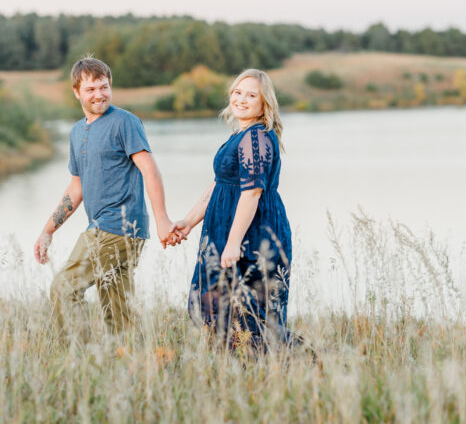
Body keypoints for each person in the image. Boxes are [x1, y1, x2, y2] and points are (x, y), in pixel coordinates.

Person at [34, 57, 182, 343]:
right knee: (118, 310)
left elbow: (150, 170)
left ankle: (83, 360)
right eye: (91, 89)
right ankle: (128, 366)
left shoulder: (125, 122)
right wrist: (47, 230)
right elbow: (76, 189)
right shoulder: (78, 132)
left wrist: (162, 219)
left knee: (64, 288)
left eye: (104, 87)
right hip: (106, 227)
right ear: (76, 92)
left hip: (118, 226)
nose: (99, 94)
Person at [170, 68, 295, 351]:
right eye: (237, 92)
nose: (241, 99)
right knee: (219, 309)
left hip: (252, 235)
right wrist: (188, 222)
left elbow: (251, 193)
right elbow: (220, 186)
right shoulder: (241, 135)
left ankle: (301, 368)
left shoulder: (256, 138)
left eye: (251, 95)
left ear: (265, 103)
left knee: (254, 318)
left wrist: (233, 243)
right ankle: (237, 377)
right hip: (225, 230)